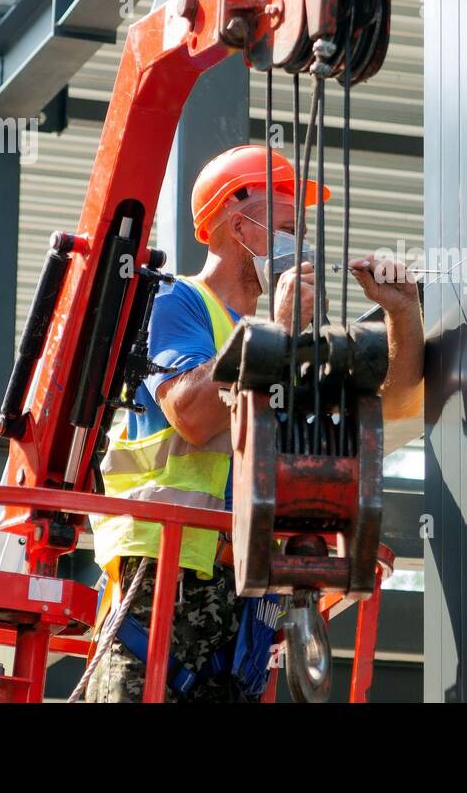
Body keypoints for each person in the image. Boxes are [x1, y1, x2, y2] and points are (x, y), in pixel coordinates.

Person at [85, 144, 423, 702]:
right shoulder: (178, 302)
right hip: (168, 578)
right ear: (239, 225)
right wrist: (278, 329)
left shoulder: (299, 338)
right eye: (288, 226)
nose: (303, 243)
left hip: (252, 594)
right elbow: (191, 415)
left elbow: (397, 403)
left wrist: (402, 314)